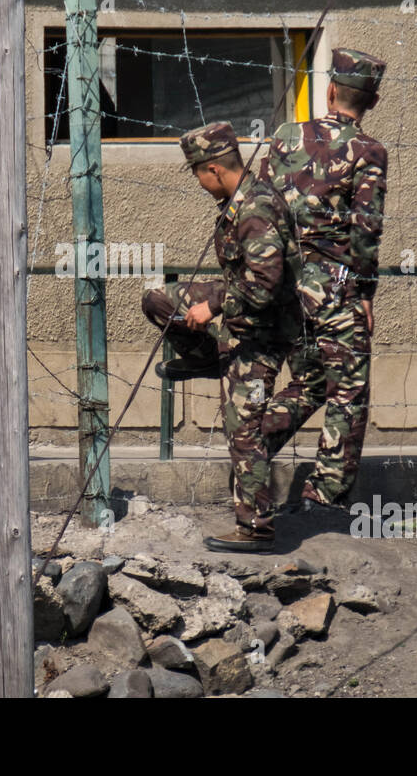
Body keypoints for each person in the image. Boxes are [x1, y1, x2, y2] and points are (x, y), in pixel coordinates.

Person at [141, 121, 299, 552]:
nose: (196, 181)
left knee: (243, 424)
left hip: (263, 330)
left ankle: (256, 528)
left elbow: (265, 285)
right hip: (241, 310)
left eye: (196, 172)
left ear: (212, 169)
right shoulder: (239, 202)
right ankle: (208, 358)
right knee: (160, 300)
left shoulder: (255, 208)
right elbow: (245, 277)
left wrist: (213, 306)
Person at [260, 48, 387, 510]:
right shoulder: (369, 151)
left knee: (310, 381)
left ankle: (251, 447)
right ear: (371, 102)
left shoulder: (283, 138)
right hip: (336, 290)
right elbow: (366, 230)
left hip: (284, 287)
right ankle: (323, 496)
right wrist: (365, 293)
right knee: (347, 390)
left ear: (330, 90)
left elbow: (261, 209)